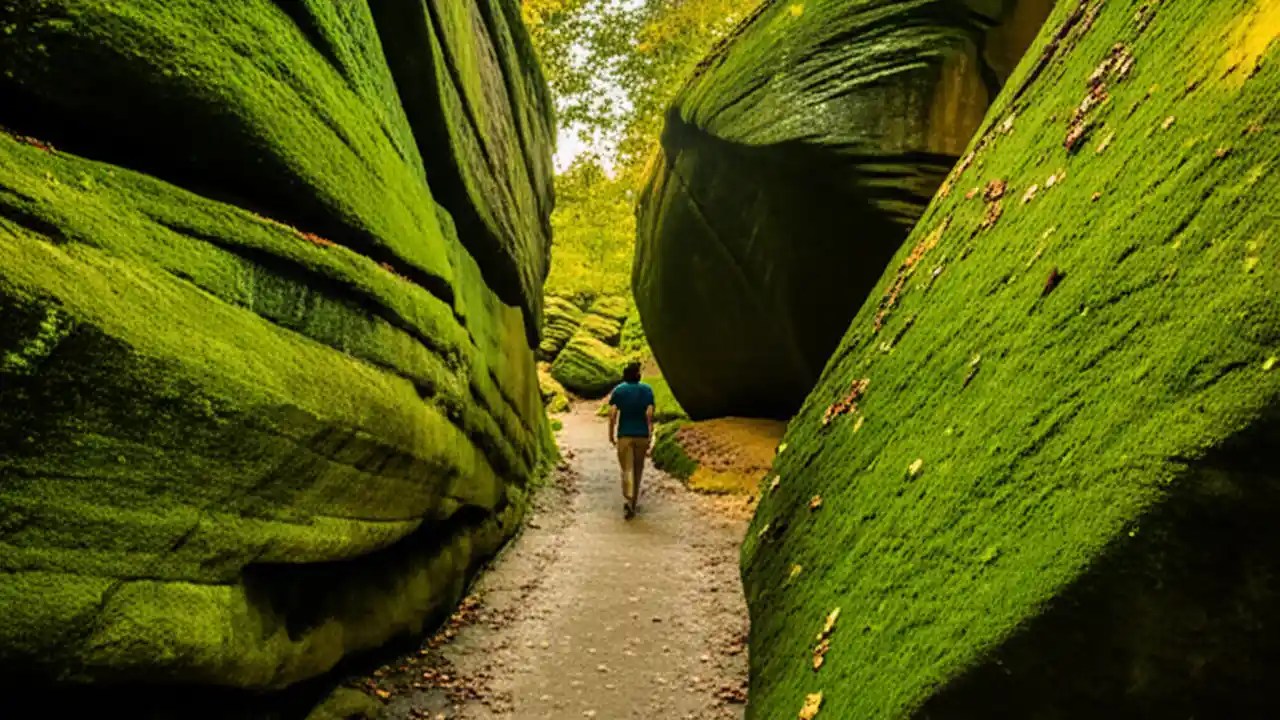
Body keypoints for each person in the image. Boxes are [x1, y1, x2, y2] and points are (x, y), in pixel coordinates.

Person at [608, 361, 655, 519]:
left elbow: (613, 414)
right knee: (638, 468)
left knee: (627, 469)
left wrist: (610, 434)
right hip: (641, 436)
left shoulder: (619, 391)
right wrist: (650, 431)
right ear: (638, 375)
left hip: (625, 436)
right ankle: (633, 502)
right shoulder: (647, 390)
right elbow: (649, 413)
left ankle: (629, 502)